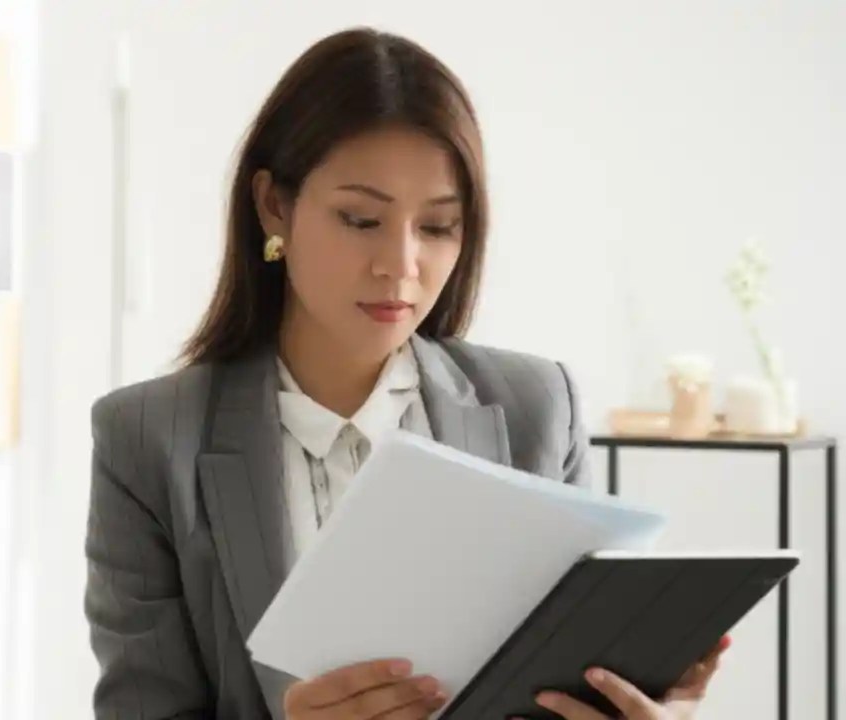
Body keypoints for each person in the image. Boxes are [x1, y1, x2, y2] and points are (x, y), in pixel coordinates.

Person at [83, 28, 729, 720]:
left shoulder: (538, 410)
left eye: (439, 226)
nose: (400, 264)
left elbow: (562, 683)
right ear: (274, 205)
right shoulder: (148, 439)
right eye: (360, 220)